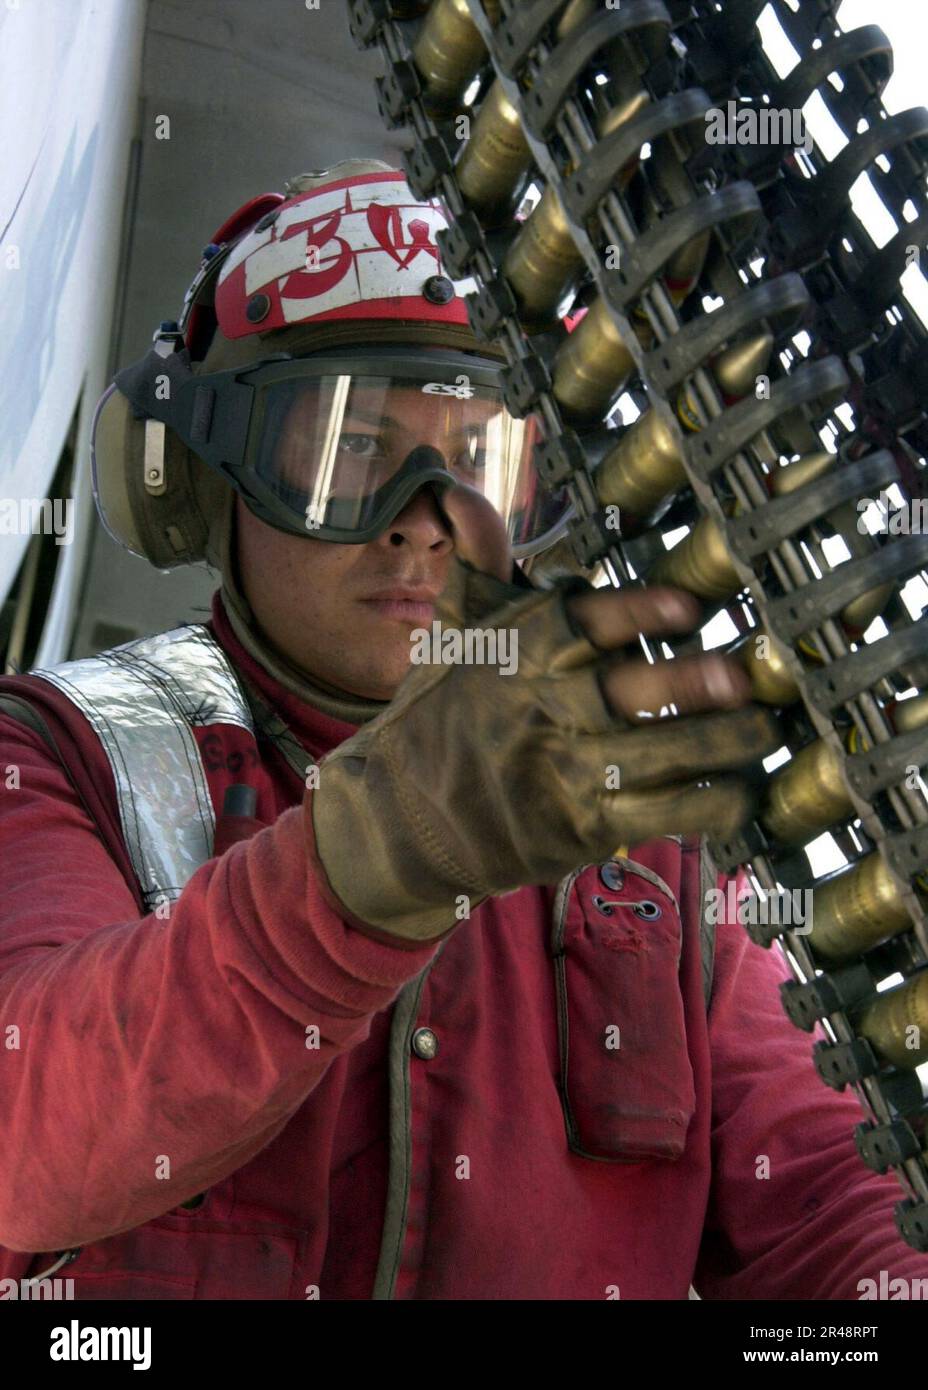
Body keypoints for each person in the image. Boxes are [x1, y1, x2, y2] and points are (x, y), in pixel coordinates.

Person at [0, 161, 922, 1301]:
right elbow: (23, 1133)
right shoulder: (59, 755)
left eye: (480, 459)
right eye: (351, 451)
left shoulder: (654, 861)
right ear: (195, 468)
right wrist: (367, 864)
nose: (427, 528)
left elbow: (837, 1204)